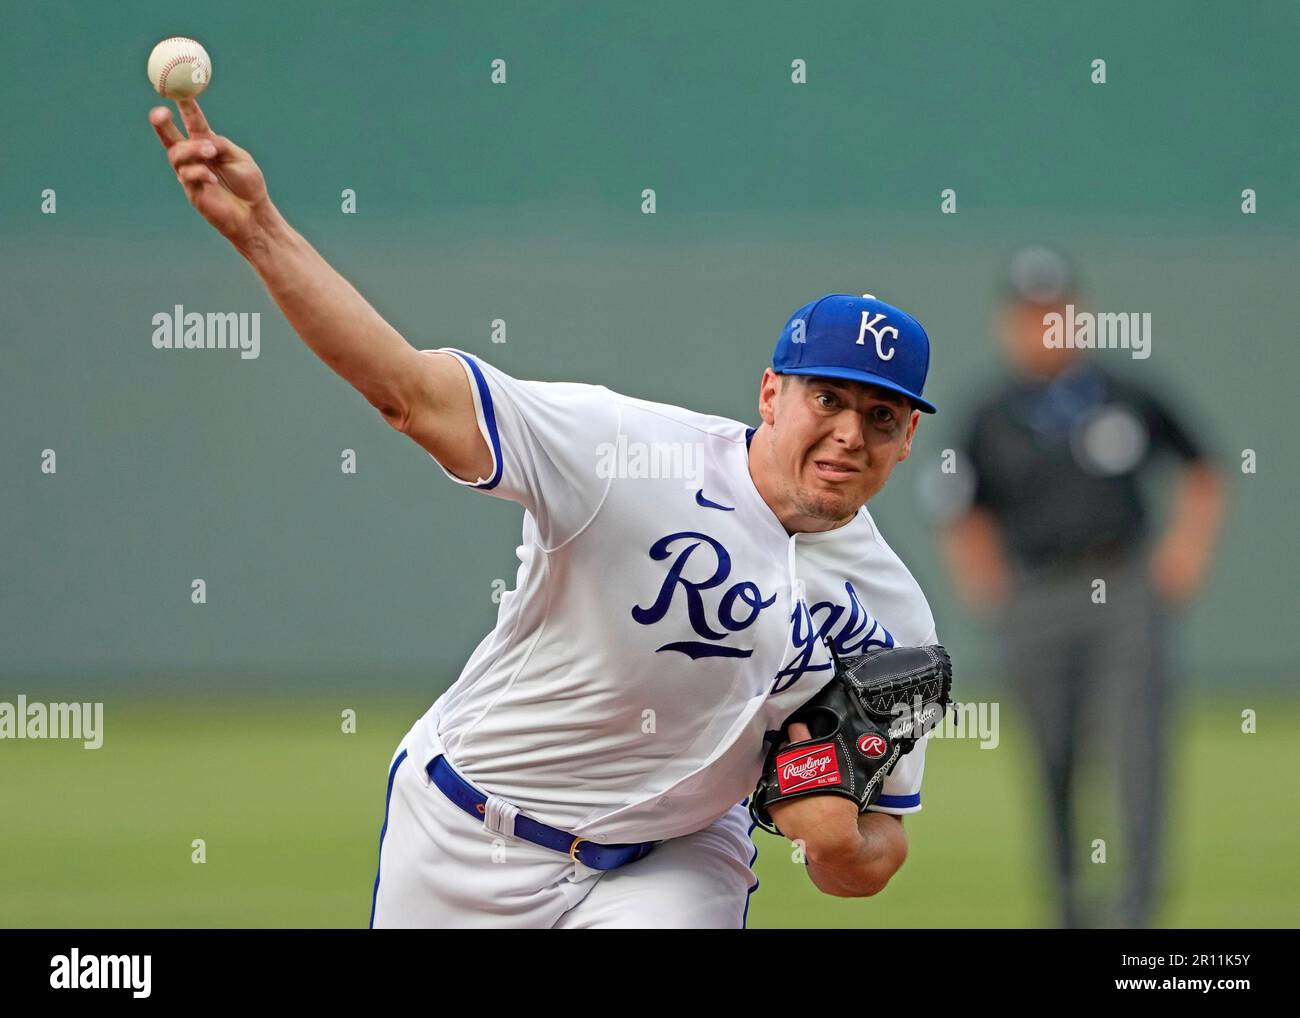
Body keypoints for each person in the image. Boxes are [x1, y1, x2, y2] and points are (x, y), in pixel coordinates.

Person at [149, 98, 943, 928]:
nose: (851, 434)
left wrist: (837, 842)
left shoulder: (894, 619)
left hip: (676, 859)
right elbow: (410, 393)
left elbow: (880, 845)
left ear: (908, 438)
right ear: (772, 393)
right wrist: (262, 232)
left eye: (881, 416)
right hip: (468, 829)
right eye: (829, 398)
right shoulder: (625, 453)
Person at [939, 247, 1226, 928]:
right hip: (1037, 596)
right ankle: (1069, 906)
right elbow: (957, 505)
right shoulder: (992, 412)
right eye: (1033, 316)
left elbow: (1203, 467)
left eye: (1058, 314)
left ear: (1080, 317)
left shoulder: (1124, 395)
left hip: (1123, 587)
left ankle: (1135, 914)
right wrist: (990, 590)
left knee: (1134, 750)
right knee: (1051, 755)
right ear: (1009, 323)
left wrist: (1183, 554)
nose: (1047, 328)